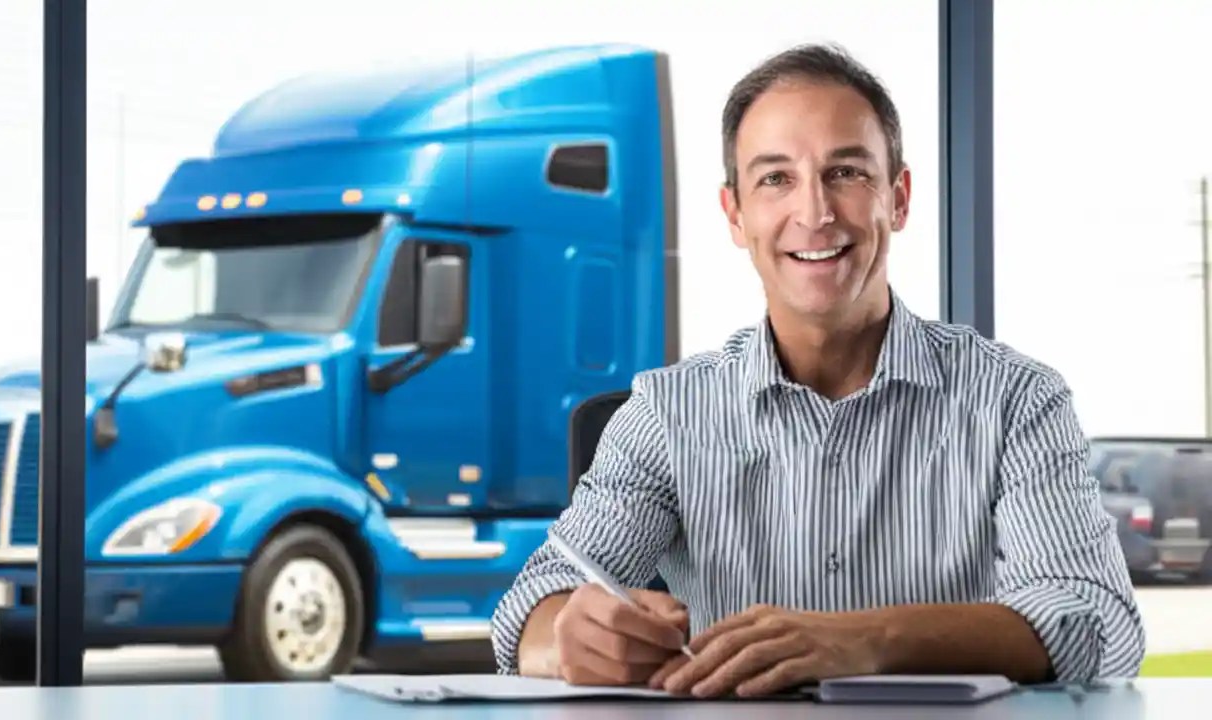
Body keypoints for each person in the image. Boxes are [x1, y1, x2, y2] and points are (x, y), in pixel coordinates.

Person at [489, 42, 1145, 698]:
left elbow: (1094, 620)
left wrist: (864, 640)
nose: (815, 213)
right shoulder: (666, 414)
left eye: (847, 173)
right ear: (735, 215)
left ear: (899, 199)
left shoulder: (1017, 400)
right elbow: (529, 611)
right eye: (776, 179)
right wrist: (568, 637)